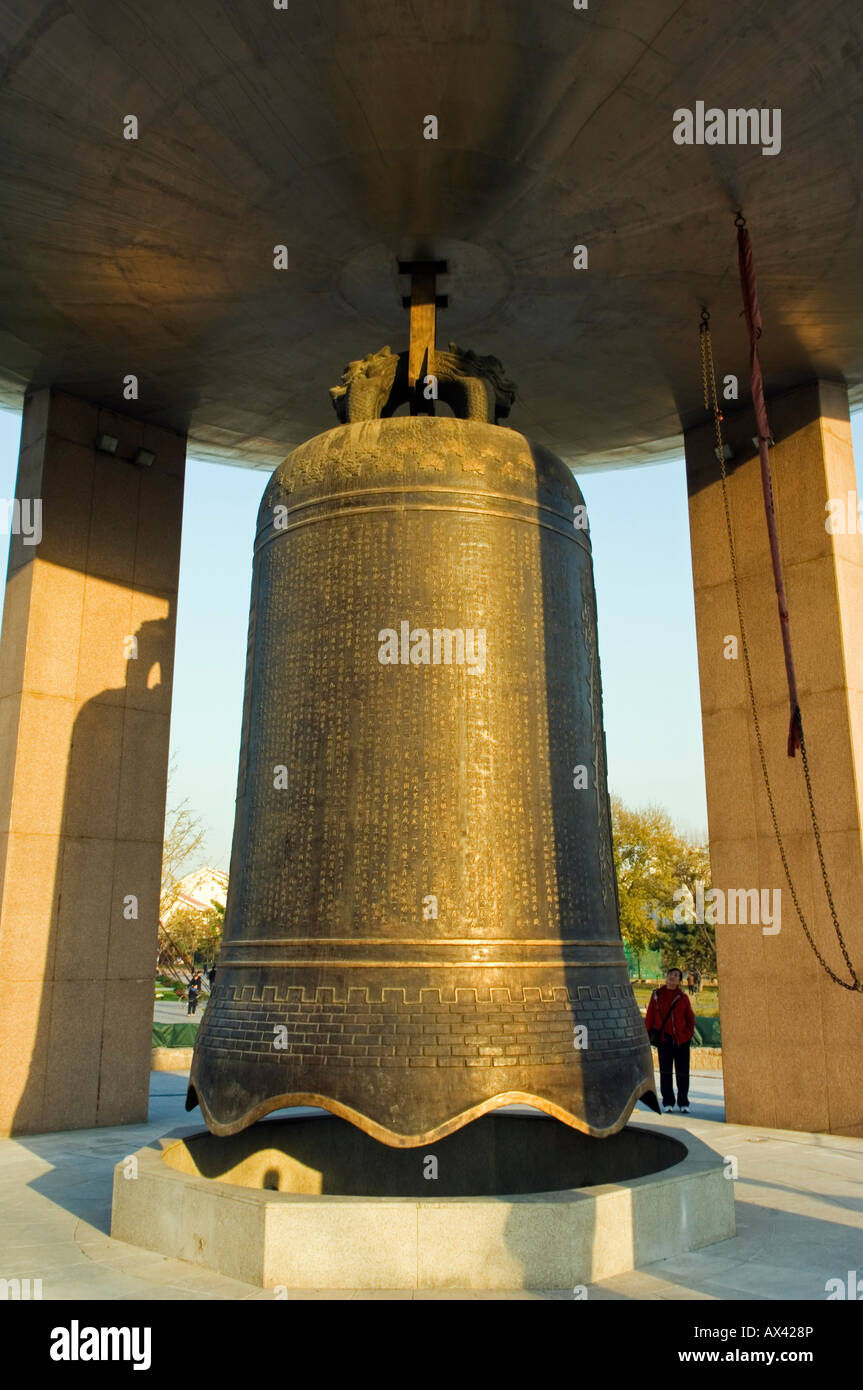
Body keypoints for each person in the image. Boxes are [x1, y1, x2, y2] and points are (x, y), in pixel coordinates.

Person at [644, 967, 695, 1114]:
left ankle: (683, 1102)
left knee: (682, 1072)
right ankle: (668, 1101)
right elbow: (650, 1016)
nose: (672, 977)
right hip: (664, 1039)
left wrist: (686, 1035)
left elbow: (690, 1019)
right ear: (666, 977)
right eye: (670, 974)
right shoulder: (656, 995)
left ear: (679, 981)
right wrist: (646, 1035)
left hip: (681, 1041)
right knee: (665, 1072)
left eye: (676, 975)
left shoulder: (683, 998)